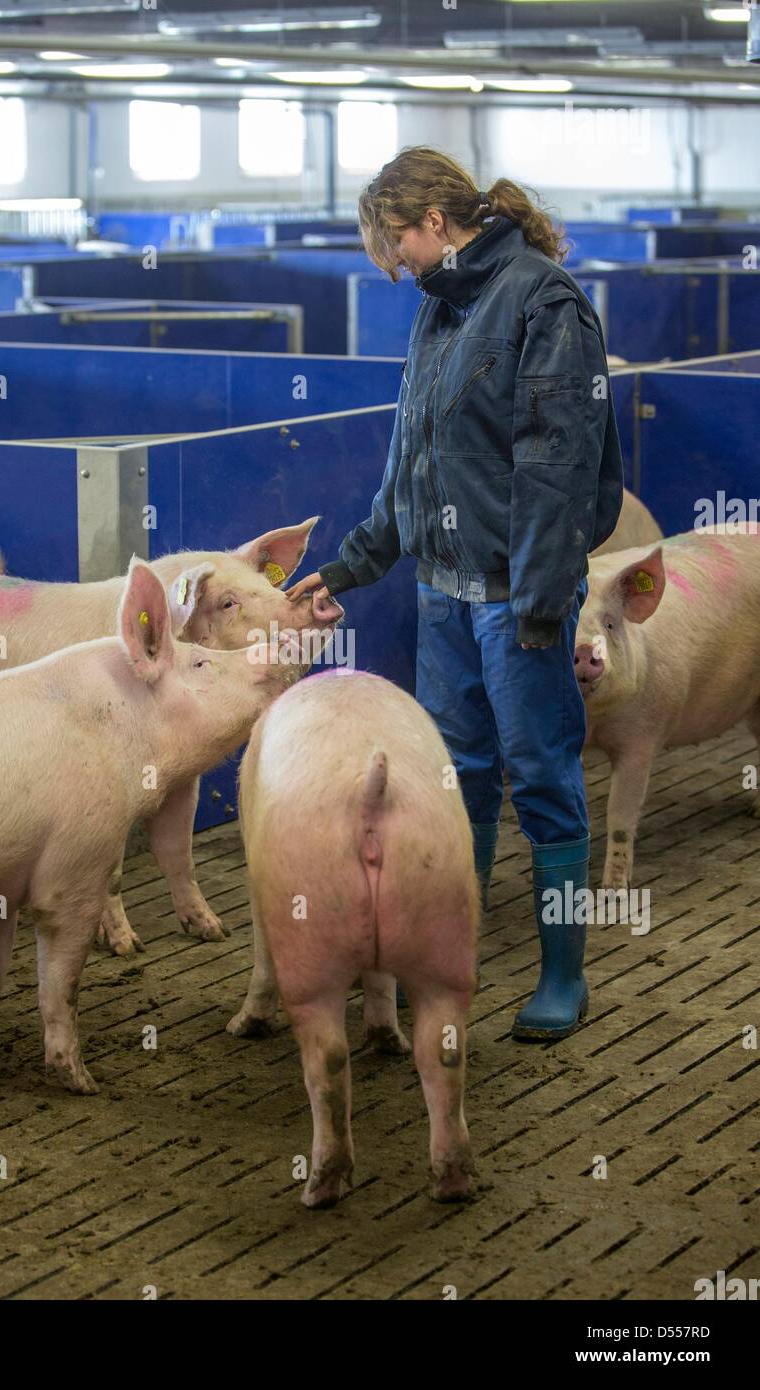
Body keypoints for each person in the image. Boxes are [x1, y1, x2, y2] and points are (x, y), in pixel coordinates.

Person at [288, 147, 623, 1041]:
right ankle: (457, 964)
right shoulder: (440, 310)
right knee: (457, 777)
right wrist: (358, 560)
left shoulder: (544, 301)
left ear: (437, 220)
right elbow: (413, 458)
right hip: (443, 593)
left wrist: (543, 604)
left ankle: (565, 976)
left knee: (544, 774)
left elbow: (558, 468)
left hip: (516, 594)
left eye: (397, 245)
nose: (395, 268)